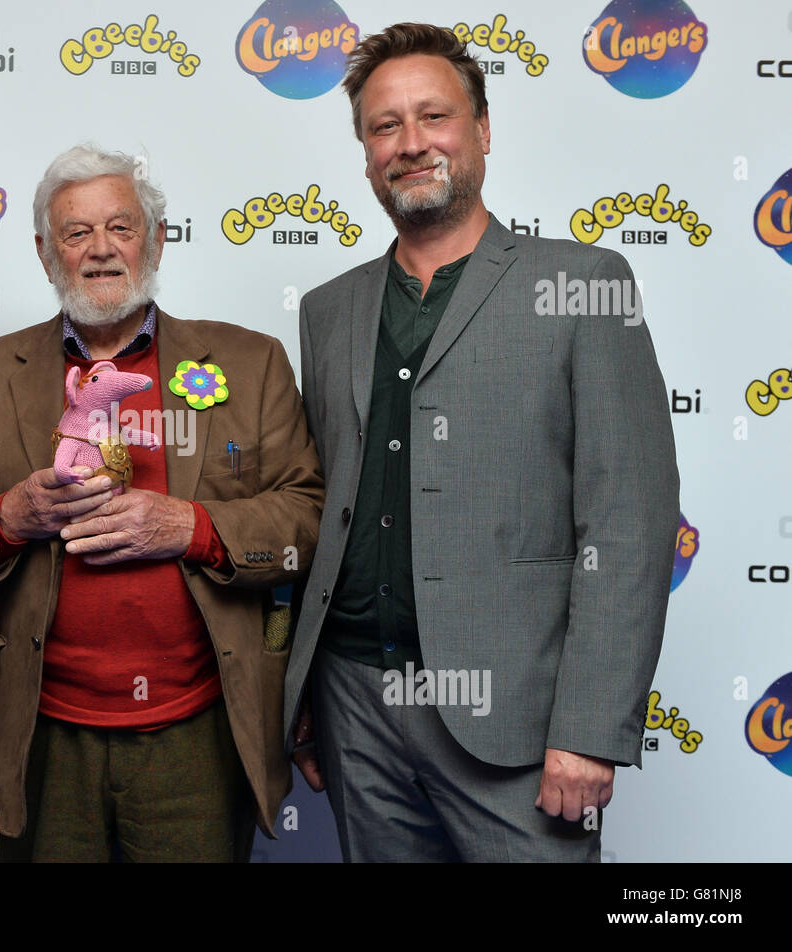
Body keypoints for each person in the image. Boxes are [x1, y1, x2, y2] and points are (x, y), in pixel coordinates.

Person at [283, 23, 679, 862]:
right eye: (385, 126)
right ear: (364, 152)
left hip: (518, 717)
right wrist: (304, 693)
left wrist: (590, 727)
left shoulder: (583, 284)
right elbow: (327, 507)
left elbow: (631, 521)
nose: (411, 143)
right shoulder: (328, 310)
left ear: (484, 131)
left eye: (434, 116)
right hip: (355, 701)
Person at [0, 145, 324, 862]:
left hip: (199, 729)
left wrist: (192, 526)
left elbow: (307, 517)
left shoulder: (251, 361)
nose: (102, 250)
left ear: (159, 238)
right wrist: (9, 519)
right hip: (43, 729)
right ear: (47, 255)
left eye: (122, 226)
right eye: (76, 233)